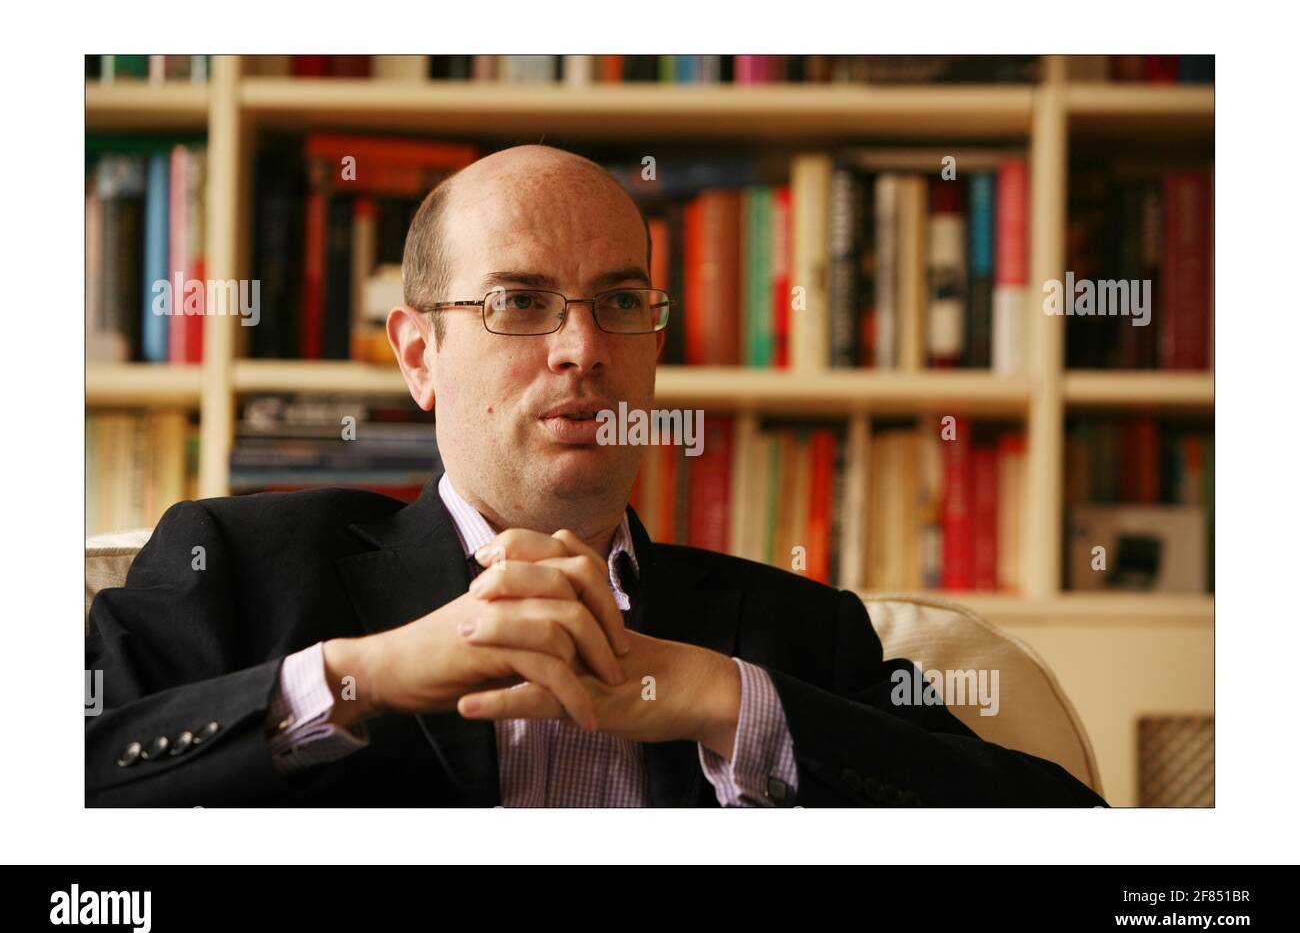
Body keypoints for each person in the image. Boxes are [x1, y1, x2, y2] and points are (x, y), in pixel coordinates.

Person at [86, 144, 1107, 808]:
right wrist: (364, 676)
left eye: (621, 301)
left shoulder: (797, 633)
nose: (582, 347)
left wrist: (723, 700)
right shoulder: (242, 564)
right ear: (417, 356)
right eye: (521, 302)